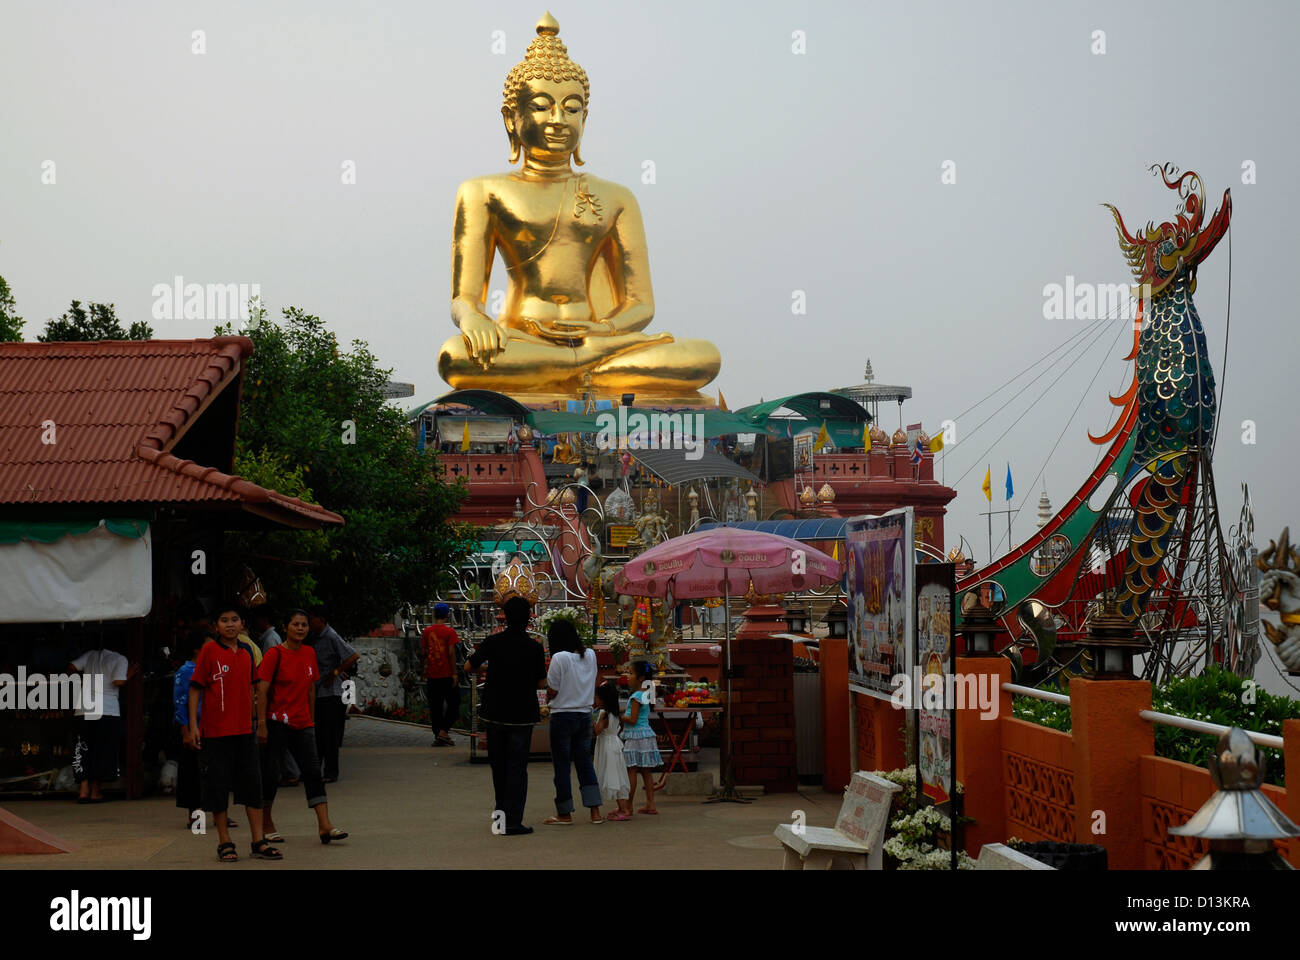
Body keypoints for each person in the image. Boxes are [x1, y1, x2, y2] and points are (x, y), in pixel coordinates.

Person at [189, 602, 279, 862]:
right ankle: (224, 842)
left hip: (244, 732)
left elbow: (255, 690)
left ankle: (258, 840)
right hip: (215, 733)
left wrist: (259, 722)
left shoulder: (248, 654)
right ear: (216, 626)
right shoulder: (209, 651)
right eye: (224, 620)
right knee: (217, 787)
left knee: (253, 786)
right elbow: (195, 688)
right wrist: (194, 726)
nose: (230, 624)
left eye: (234, 620)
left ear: (242, 625)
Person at [256, 609, 348, 845]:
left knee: (313, 772)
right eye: (295, 624)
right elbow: (262, 690)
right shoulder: (274, 654)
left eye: (304, 625)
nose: (300, 628)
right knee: (271, 774)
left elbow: (310, 688)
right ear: (285, 627)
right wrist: (262, 723)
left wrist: (312, 719)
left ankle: (325, 825)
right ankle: (266, 823)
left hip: (303, 723)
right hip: (277, 722)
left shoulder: (309, 653)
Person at [465, 596, 545, 836]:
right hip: (522, 715)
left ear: (505, 617)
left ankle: (499, 819)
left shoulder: (493, 642)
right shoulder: (535, 647)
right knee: (517, 769)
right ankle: (514, 821)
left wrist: (492, 668)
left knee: (498, 768)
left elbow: (469, 667)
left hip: (495, 713)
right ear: (529, 619)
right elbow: (541, 681)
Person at [542, 619, 602, 825]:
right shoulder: (591, 655)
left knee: (562, 766)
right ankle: (595, 811)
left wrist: (545, 700)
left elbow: (552, 690)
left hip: (562, 715)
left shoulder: (560, 658)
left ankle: (565, 813)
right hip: (584, 714)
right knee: (585, 763)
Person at [68, 635, 137, 804]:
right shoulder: (120, 659)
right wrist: (130, 674)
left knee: (83, 748)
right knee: (102, 750)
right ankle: (95, 791)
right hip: (107, 710)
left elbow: (71, 667)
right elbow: (118, 681)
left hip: (84, 709)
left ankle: (83, 790)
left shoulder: (90, 655)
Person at [307, 607, 359, 783]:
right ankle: (317, 769)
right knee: (320, 734)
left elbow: (353, 656)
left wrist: (335, 672)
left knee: (329, 735)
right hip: (320, 690)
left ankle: (330, 772)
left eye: (312, 619)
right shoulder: (315, 637)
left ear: (320, 620)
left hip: (332, 691)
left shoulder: (330, 636)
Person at [173, 629, 209, 825]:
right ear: (198, 649)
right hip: (193, 728)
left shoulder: (210, 668)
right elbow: (180, 703)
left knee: (213, 773)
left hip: (211, 727)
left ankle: (216, 811)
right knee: (193, 774)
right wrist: (185, 731)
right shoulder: (185, 671)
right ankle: (195, 817)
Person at [621, 661, 662, 816]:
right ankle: (651, 804)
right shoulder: (646, 694)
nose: (627, 676)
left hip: (635, 736)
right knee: (646, 771)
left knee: (631, 770)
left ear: (641, 678)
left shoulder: (635, 696)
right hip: (646, 735)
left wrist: (620, 716)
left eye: (631, 673)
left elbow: (632, 719)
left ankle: (628, 805)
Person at [421, 603, 461, 747]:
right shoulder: (449, 632)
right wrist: (455, 673)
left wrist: (423, 672)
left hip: (432, 675)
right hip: (447, 675)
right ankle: (443, 732)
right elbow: (451, 652)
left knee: (435, 707)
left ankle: (440, 735)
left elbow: (423, 654)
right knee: (454, 705)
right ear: (447, 615)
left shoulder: (426, 632)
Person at [593, 681, 630, 821]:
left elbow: (597, 731)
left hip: (607, 746)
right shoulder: (614, 712)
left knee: (612, 776)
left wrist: (591, 719)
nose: (595, 700)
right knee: (617, 775)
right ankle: (622, 807)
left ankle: (624, 809)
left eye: (596, 697)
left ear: (603, 699)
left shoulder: (603, 714)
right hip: (614, 744)